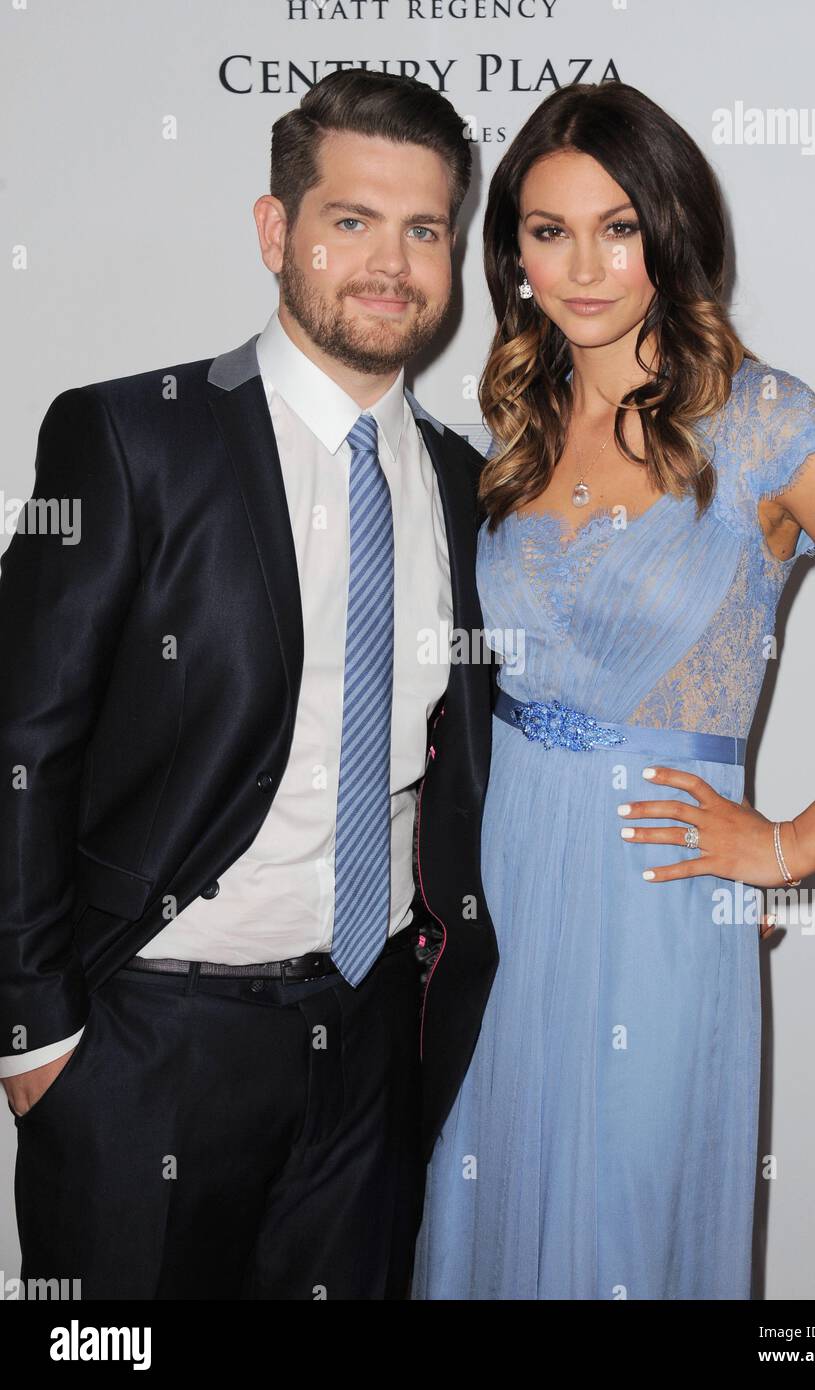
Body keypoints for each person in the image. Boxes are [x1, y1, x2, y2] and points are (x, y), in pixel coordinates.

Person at [411, 81, 815, 1299]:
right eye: (547, 231)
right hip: (497, 896)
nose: (583, 265)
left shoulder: (767, 422)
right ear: (512, 254)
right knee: (476, 1215)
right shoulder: (514, 428)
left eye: (617, 226)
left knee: (623, 1234)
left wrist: (794, 843)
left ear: (671, 226)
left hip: (653, 894)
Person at [0, 69, 498, 1300]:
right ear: (275, 232)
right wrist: (39, 1035)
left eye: (423, 229)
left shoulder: (462, 483)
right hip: (147, 1042)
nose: (391, 264)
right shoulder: (131, 437)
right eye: (350, 220)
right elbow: (23, 738)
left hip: (372, 1038)